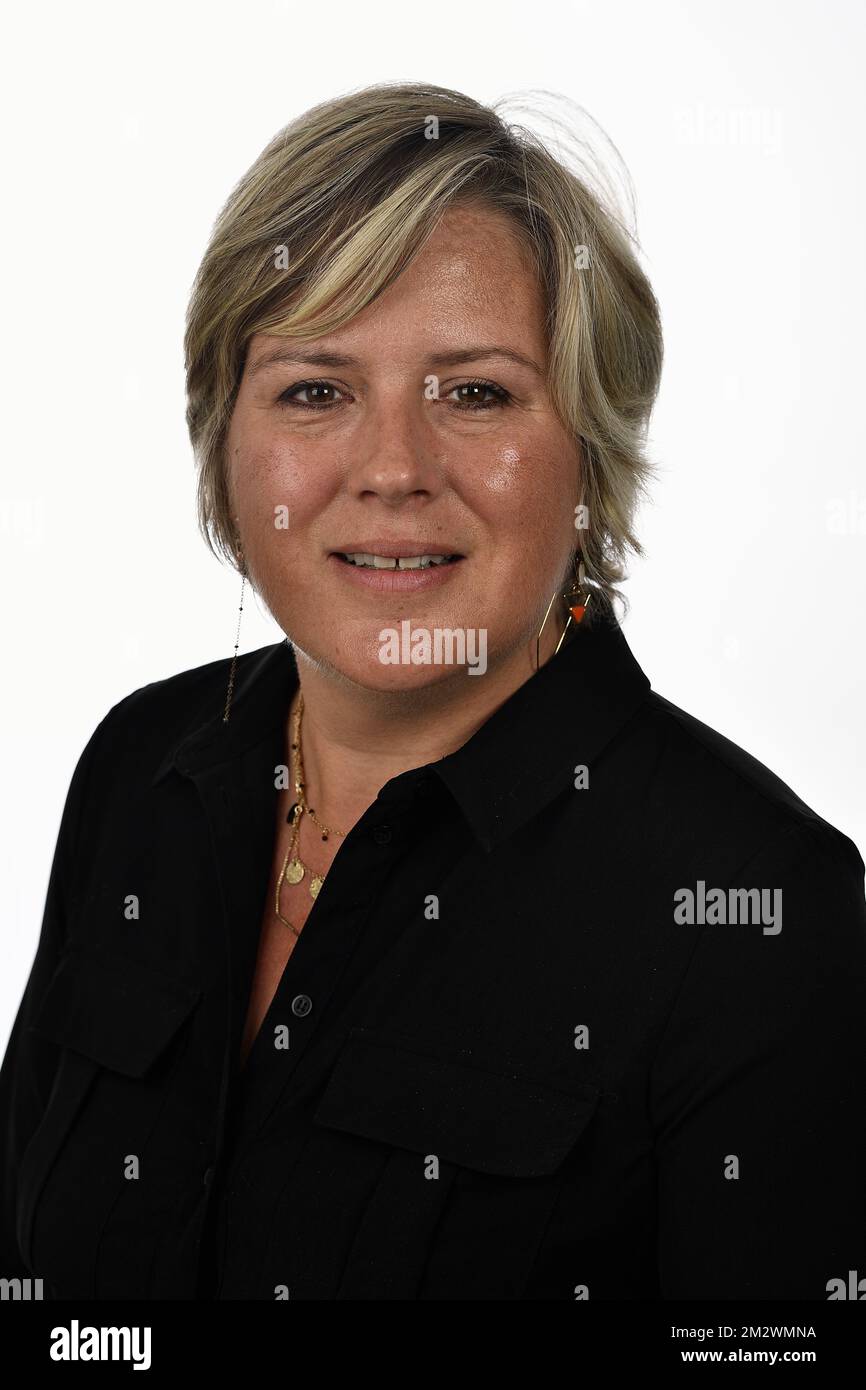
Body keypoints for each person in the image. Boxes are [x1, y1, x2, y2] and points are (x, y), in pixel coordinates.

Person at [1, 81, 864, 1302]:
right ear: (223, 441)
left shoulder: (758, 908)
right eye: (314, 389)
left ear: (590, 449)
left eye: (474, 393)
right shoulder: (143, 765)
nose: (394, 469)